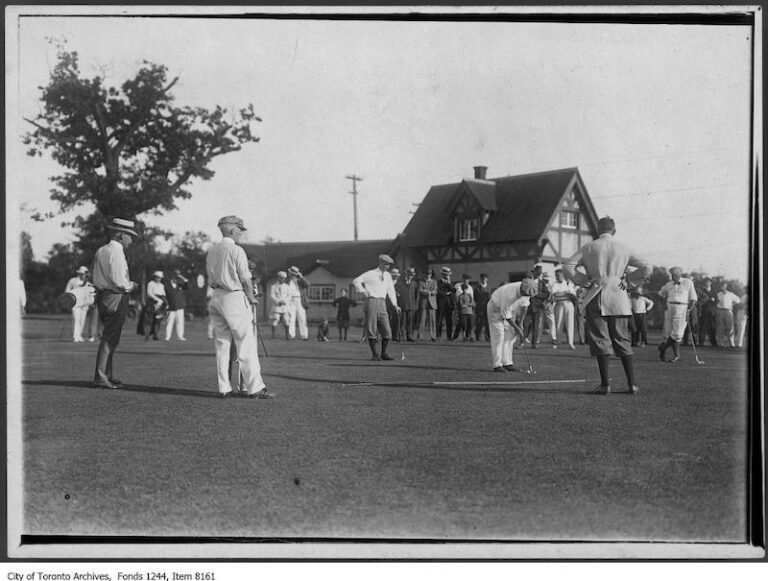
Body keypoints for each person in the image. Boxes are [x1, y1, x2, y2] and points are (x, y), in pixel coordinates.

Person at [562, 216, 652, 395]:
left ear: (598, 230)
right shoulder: (624, 247)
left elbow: (568, 266)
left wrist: (583, 280)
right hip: (619, 295)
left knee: (600, 340)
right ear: (614, 230)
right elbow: (647, 267)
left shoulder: (589, 246)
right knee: (622, 339)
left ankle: (605, 385)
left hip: (597, 294)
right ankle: (632, 385)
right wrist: (629, 282)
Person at [206, 215, 273, 399]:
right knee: (246, 344)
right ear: (232, 230)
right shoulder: (237, 250)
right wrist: (251, 297)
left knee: (222, 345)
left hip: (217, 297)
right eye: (240, 231)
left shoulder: (212, 251)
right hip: (234, 298)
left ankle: (224, 388)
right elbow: (245, 277)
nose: (241, 235)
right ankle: (254, 388)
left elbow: (211, 281)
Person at [91, 217, 140, 389]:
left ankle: (107, 374)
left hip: (103, 296)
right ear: (120, 235)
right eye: (129, 236)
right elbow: (121, 281)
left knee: (109, 337)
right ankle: (101, 376)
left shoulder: (101, 250)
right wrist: (132, 285)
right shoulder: (117, 253)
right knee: (110, 338)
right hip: (116, 297)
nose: (131, 240)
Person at [352, 254, 401, 361]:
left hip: (382, 303)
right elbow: (356, 281)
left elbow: (391, 290)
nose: (387, 267)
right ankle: (375, 354)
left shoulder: (388, 276)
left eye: (389, 265)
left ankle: (384, 353)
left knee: (387, 331)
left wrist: (395, 304)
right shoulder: (371, 273)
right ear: (381, 263)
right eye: (386, 264)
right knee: (372, 328)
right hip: (372, 301)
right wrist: (364, 292)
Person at [487, 277, 537, 372]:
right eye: (525, 294)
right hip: (495, 309)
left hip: (509, 310)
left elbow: (525, 307)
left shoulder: (527, 289)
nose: (526, 295)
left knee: (510, 336)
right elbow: (507, 316)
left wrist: (521, 323)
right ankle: (497, 365)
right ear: (522, 290)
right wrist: (517, 328)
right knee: (498, 336)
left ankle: (507, 363)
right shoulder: (509, 294)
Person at [658, 267, 697, 362]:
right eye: (672, 275)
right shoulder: (669, 284)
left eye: (675, 275)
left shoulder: (688, 282)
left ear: (680, 274)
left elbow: (693, 299)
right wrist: (663, 305)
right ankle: (676, 355)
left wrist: (689, 310)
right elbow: (661, 294)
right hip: (669, 307)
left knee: (678, 334)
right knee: (668, 332)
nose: (673, 277)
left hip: (682, 308)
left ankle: (663, 348)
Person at [550, 268, 577, 349]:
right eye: (556, 276)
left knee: (570, 323)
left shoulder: (569, 283)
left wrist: (562, 294)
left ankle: (570, 343)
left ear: (563, 275)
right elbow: (554, 295)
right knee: (559, 323)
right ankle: (558, 342)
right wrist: (565, 293)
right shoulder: (555, 284)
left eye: (558, 275)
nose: (557, 277)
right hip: (559, 304)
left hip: (569, 304)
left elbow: (573, 295)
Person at [65, 266, 92, 342]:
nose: (84, 276)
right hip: (75, 304)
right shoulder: (72, 281)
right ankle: (75, 337)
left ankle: (79, 335)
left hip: (84, 304)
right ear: (80, 274)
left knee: (82, 320)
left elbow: (90, 293)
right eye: (83, 274)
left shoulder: (87, 283)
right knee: (76, 320)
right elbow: (67, 291)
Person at [141, 271, 167, 340]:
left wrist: (165, 302)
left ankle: (156, 335)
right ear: (155, 277)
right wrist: (157, 300)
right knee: (149, 319)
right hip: (152, 302)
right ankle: (147, 335)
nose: (159, 279)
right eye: (157, 277)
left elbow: (163, 294)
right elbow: (150, 294)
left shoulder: (162, 285)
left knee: (158, 320)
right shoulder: (151, 284)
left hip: (160, 302)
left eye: (160, 278)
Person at [395, 266, 418, 342]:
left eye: (411, 274)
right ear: (406, 273)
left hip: (411, 306)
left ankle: (409, 336)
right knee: (402, 322)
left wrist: (415, 305)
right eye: (409, 273)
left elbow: (416, 295)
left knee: (410, 322)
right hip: (403, 305)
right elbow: (397, 293)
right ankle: (400, 336)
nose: (410, 275)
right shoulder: (400, 282)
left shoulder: (414, 283)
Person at [164, 270, 189, 341]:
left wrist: (182, 277)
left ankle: (180, 336)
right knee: (169, 322)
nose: (175, 278)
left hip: (180, 307)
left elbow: (186, 286)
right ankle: (167, 336)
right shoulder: (167, 285)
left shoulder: (180, 285)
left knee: (180, 322)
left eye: (176, 276)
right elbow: (165, 295)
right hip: (171, 307)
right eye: (174, 276)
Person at [286, 266, 310, 340]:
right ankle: (291, 335)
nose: (292, 275)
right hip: (291, 300)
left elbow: (307, 284)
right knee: (291, 318)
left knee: (302, 318)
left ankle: (304, 335)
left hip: (299, 300)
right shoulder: (288, 281)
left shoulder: (300, 280)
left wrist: (301, 277)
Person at [715, 282, 740, 348]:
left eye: (723, 286)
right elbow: (715, 302)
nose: (722, 287)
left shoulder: (730, 294)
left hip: (728, 311)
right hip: (720, 310)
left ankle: (732, 343)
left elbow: (738, 300)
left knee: (730, 327)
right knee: (720, 327)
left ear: (726, 286)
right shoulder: (718, 294)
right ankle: (721, 343)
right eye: (721, 286)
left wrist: (732, 304)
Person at [268, 271, 291, 339]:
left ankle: (287, 335)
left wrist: (285, 301)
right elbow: (272, 295)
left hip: (285, 306)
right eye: (281, 278)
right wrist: (278, 302)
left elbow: (289, 295)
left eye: (284, 278)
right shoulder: (273, 286)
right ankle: (273, 336)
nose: (282, 279)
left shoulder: (287, 287)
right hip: (276, 306)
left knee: (286, 320)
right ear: (278, 278)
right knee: (274, 320)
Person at [417, 267, 437, 341]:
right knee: (422, 320)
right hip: (424, 303)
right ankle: (420, 336)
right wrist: (429, 292)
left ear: (431, 275)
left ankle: (433, 336)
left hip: (432, 304)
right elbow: (420, 290)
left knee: (432, 320)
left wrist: (426, 291)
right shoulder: (421, 282)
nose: (428, 275)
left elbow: (435, 291)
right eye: (427, 274)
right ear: (424, 274)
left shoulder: (434, 282)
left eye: (429, 274)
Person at [452, 274, 474, 340]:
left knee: (467, 323)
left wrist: (469, 305)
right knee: (461, 322)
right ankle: (456, 336)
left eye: (467, 280)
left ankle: (467, 336)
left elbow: (472, 299)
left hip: (467, 308)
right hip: (459, 306)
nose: (465, 281)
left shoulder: (470, 288)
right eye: (464, 279)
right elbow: (454, 295)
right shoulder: (457, 286)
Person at [436, 266, 455, 340]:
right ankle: (438, 335)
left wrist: (449, 283)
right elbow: (439, 292)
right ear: (442, 274)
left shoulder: (451, 283)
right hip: (441, 303)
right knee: (439, 320)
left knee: (449, 320)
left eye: (447, 274)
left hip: (449, 304)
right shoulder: (438, 282)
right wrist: (447, 293)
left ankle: (449, 336)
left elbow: (453, 291)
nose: (446, 275)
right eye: (445, 274)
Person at [697, 279, 717, 346]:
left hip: (711, 311)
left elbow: (717, 301)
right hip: (703, 310)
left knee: (712, 327)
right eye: (706, 282)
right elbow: (699, 300)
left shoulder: (714, 291)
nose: (707, 283)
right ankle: (701, 342)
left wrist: (713, 301)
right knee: (702, 327)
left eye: (708, 282)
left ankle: (713, 342)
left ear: (710, 283)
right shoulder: (701, 291)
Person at [473, 274, 491, 342]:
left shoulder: (489, 288)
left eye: (485, 278)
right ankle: (478, 336)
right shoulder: (477, 288)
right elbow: (475, 298)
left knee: (487, 323)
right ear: (480, 279)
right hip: (479, 308)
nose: (483, 279)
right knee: (479, 323)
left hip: (487, 308)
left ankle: (487, 337)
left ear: (487, 279)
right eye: (482, 278)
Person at [387, 267, 402, 340]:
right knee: (387, 319)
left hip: (397, 304)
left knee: (395, 320)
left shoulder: (400, 283)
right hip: (388, 303)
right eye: (393, 275)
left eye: (396, 275)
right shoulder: (387, 282)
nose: (394, 276)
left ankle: (394, 336)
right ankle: (386, 335)